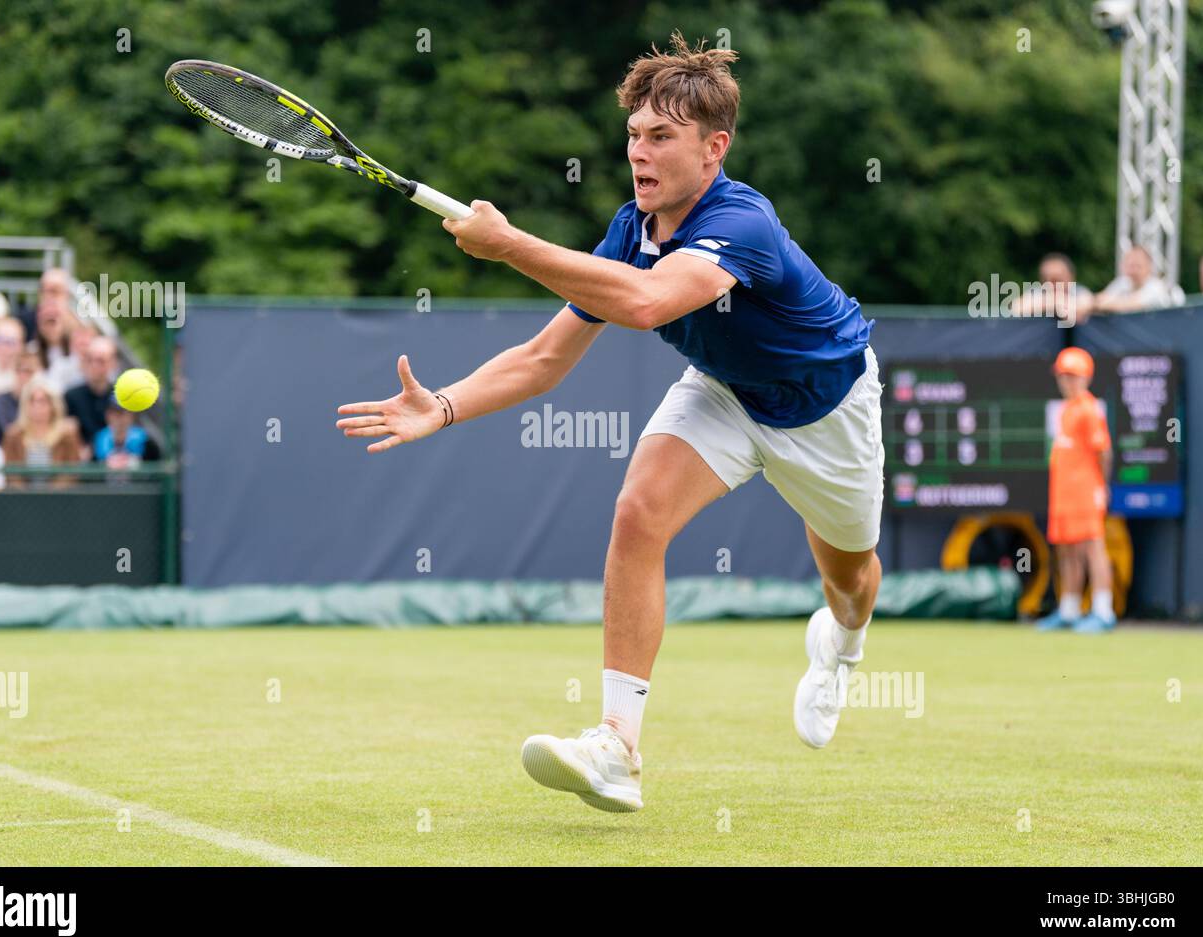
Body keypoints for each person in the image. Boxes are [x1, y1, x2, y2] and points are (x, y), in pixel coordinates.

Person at [335, 34, 883, 812]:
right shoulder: (630, 228)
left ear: (713, 147)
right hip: (725, 392)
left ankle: (841, 646)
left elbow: (648, 302)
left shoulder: (744, 220)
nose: (640, 153)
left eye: (662, 137)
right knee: (637, 514)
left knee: (851, 581)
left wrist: (510, 245)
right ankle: (617, 748)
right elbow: (543, 360)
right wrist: (446, 404)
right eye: (633, 136)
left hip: (828, 411)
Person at [1037, 347, 1116, 633]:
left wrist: (1101, 487)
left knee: (1094, 548)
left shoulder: (1089, 409)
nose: (1067, 381)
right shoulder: (1067, 409)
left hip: (1086, 491)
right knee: (1067, 551)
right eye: (1063, 375)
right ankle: (1069, 610)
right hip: (1063, 495)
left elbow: (1104, 452)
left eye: (1073, 376)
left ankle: (1103, 611)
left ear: (1086, 377)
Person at [1, 376, 81, 488]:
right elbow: (12, 475)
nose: (37, 406)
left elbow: (70, 473)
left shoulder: (67, 435)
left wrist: (49, 497)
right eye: (32, 401)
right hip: (22, 500)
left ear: (53, 405)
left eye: (42, 401)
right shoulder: (13, 435)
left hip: (59, 500)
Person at [64, 336, 118, 454]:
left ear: (113, 363)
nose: (94, 365)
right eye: (89, 359)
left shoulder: (122, 396)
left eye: (100, 361)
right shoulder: (71, 396)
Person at [1092, 246, 1173, 314]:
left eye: (1138, 265)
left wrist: (1096, 305)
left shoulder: (1156, 286)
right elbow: (1103, 297)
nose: (1133, 270)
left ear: (1149, 267)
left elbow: (1132, 305)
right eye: (1130, 265)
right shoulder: (1123, 282)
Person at [0, 348, 44, 447]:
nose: (23, 376)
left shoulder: (47, 401)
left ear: (39, 372)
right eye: (19, 370)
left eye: (29, 371)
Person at [93, 394, 160, 470]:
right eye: (115, 413)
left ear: (131, 415)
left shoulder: (145, 440)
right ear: (107, 415)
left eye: (123, 413)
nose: (119, 419)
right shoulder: (100, 438)